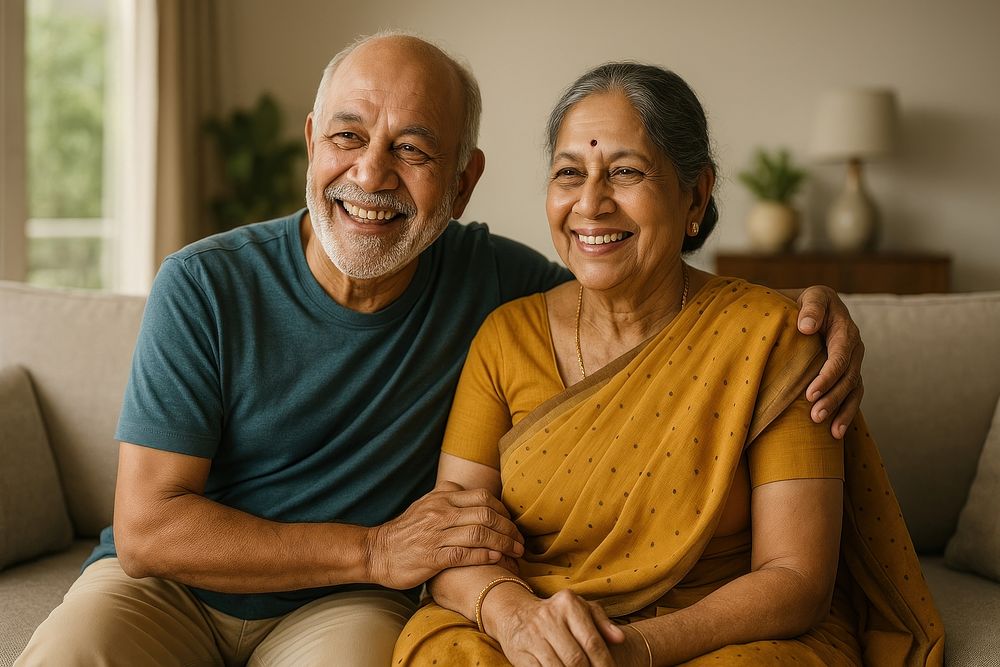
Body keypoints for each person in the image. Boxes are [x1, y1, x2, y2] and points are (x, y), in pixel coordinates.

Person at [17, 35, 866, 667]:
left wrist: (805, 314)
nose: (371, 174)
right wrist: (377, 550)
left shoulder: (502, 289)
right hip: (165, 590)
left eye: (413, 150)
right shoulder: (204, 284)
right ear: (311, 143)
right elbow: (147, 529)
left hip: (341, 608)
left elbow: (641, 289)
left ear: (463, 182)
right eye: (348, 137)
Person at [392, 63, 943, 666]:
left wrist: (635, 650)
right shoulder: (506, 336)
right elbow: (452, 539)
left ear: (696, 196)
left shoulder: (773, 340)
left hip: (720, 635)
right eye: (569, 173)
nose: (590, 203)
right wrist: (516, 617)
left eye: (625, 172)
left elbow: (796, 578)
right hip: (538, 623)